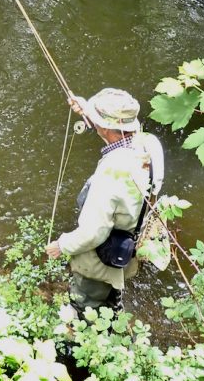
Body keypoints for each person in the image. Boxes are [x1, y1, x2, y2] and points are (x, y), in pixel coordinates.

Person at [45, 88, 165, 311]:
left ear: (106, 126)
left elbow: (93, 233)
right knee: (112, 300)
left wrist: (61, 245)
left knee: (85, 306)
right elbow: (117, 132)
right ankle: (113, 315)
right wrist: (89, 113)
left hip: (102, 258)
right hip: (127, 245)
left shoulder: (113, 174)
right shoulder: (149, 144)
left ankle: (82, 339)